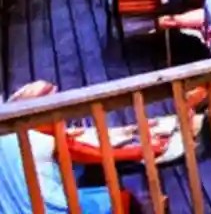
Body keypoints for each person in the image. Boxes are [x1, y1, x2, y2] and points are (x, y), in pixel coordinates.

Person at [0, 81, 163, 214]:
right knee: (119, 198)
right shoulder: (42, 139)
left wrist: (130, 130)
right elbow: (95, 154)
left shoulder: (9, 133)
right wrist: (144, 151)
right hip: (48, 209)